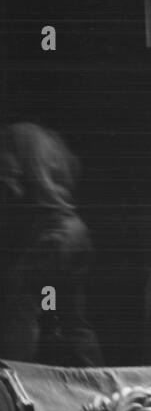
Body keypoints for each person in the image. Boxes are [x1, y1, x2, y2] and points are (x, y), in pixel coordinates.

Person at [0, 123, 103, 366]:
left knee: (26, 300)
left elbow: (10, 188)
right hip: (70, 232)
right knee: (64, 313)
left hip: (54, 238)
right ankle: (88, 380)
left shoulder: (13, 140)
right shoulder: (42, 142)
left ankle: (15, 381)